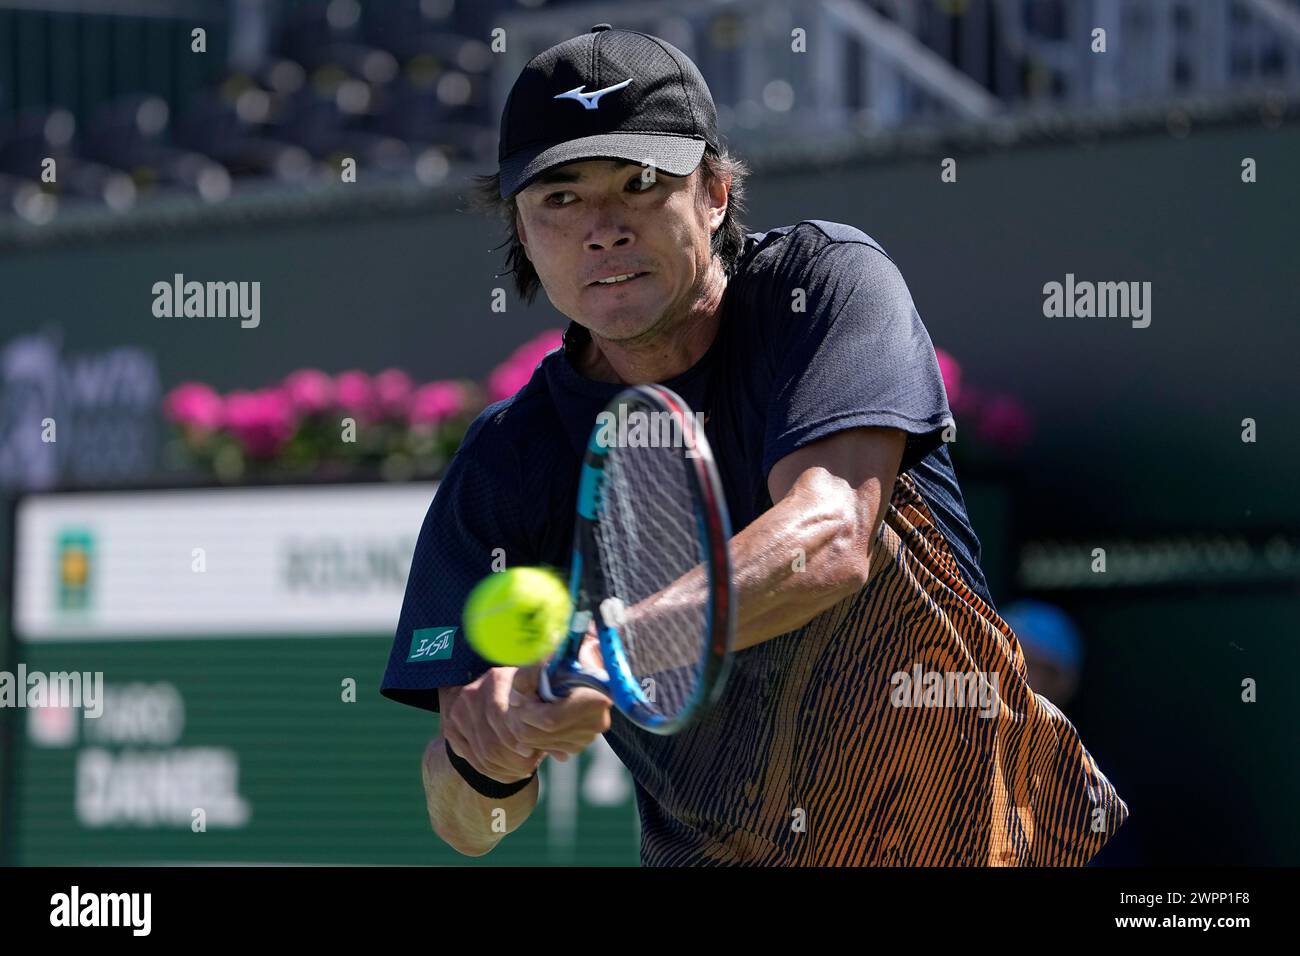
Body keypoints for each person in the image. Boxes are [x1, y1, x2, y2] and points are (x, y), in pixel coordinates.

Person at [381, 24, 1128, 865]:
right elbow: (467, 827)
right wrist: (482, 756)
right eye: (560, 197)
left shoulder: (822, 290)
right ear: (519, 228)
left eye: (640, 182)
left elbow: (832, 536)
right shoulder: (505, 464)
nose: (602, 228)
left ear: (716, 192)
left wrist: (607, 650)